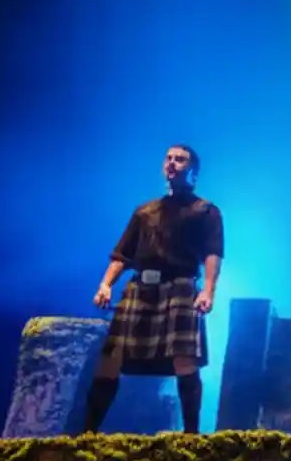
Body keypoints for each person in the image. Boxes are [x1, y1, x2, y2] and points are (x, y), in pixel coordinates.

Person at [83, 144, 223, 434]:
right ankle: (87, 433)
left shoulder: (205, 211)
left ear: (194, 172)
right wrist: (105, 284)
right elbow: (122, 254)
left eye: (180, 160)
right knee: (111, 358)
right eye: (169, 158)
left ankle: (192, 436)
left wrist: (208, 290)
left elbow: (213, 253)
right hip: (140, 289)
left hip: (180, 286)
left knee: (184, 358)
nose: (172, 163)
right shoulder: (145, 212)